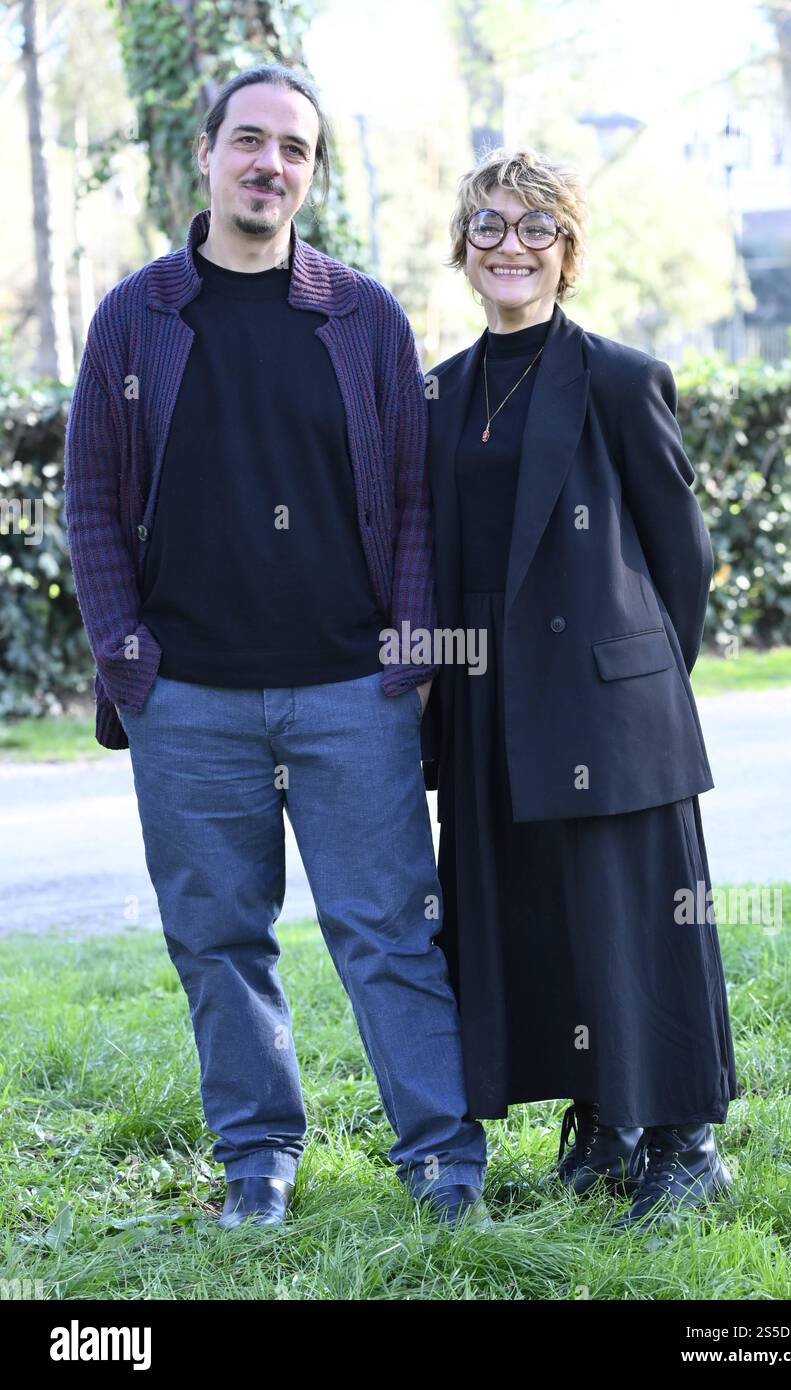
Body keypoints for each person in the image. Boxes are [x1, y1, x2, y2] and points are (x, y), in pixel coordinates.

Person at [63, 64, 490, 1232]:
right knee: (216, 937)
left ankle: (443, 1157)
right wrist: (128, 662)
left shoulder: (362, 317)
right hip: (187, 699)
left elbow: (411, 500)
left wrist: (403, 655)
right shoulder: (134, 315)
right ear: (204, 155)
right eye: (248, 142)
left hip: (352, 692)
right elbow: (91, 502)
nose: (269, 165)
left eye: (293, 149)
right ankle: (256, 1158)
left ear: (310, 171)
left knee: (388, 931)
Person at [420, 147, 738, 1231]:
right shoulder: (437, 393)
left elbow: (679, 557)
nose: (511, 245)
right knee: (544, 922)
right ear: (462, 251)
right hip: (491, 712)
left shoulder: (616, 375)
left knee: (635, 922)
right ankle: (601, 1123)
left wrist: (634, 680)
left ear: (566, 251)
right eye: (489, 227)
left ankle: (686, 1142)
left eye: (534, 227)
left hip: (611, 705)